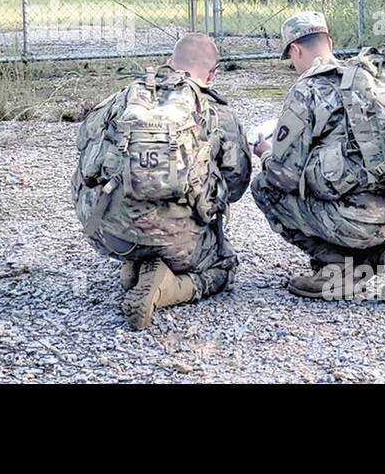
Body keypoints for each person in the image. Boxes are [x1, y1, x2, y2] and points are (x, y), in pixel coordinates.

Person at [250, 11, 385, 305]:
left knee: (265, 187)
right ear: (329, 42)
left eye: (291, 58)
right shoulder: (365, 82)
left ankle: (347, 268)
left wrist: (266, 154)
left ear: (295, 49)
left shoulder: (308, 89)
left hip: (354, 224)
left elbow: (286, 176)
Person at [73, 33, 252, 330]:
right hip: (177, 242)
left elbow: (84, 160)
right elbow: (236, 185)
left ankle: (134, 261)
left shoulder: (121, 100)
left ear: (169, 64)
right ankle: (166, 287)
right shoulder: (218, 113)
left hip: (109, 234)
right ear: (212, 74)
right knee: (224, 266)